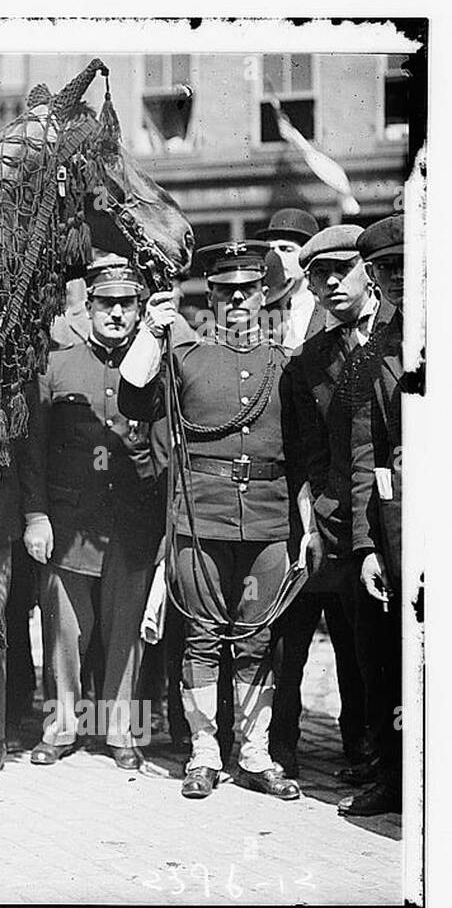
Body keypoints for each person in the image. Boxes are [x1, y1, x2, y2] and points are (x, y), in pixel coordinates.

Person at [118, 241, 302, 801]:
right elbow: (133, 401)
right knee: (201, 635)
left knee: (256, 636)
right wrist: (150, 332)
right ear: (212, 297)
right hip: (202, 517)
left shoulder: (283, 362)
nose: (237, 300)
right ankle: (204, 751)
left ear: (264, 295)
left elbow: (306, 447)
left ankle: (254, 753)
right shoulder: (188, 357)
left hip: (267, 520)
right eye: (226, 291)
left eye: (247, 290)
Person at [18, 255, 169, 771]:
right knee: (65, 632)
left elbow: (163, 447)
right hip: (69, 523)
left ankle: (122, 730)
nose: (117, 314)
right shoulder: (57, 366)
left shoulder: (153, 366)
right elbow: (33, 450)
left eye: (127, 304)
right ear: (89, 306)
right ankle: (61, 727)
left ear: (139, 309)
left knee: (125, 632)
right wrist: (36, 516)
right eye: (107, 303)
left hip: (130, 521)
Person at [273, 225, 384, 781]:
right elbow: (307, 453)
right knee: (320, 637)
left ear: (369, 273)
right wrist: (312, 522)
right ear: (310, 287)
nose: (334, 282)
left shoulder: (407, 333)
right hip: (331, 520)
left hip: (389, 519)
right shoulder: (308, 362)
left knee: (374, 648)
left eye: (343, 269)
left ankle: (375, 752)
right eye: (321, 274)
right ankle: (305, 746)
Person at [340, 214, 405, 816]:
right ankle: (393, 775)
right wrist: (366, 546)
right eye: (387, 269)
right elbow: (365, 453)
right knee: (383, 654)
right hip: (398, 529)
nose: (399, 278)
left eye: (407, 264)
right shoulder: (372, 353)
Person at [254, 208, 321, 351]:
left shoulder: (325, 308)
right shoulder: (256, 309)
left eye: (286, 249)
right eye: (271, 250)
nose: (276, 256)